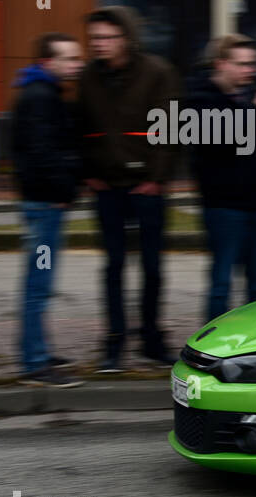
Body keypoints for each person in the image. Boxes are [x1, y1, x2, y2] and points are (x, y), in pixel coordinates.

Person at [78, 6, 180, 372]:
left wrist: (157, 178)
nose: (99, 45)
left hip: (147, 189)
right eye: (94, 39)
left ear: (126, 38)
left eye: (107, 38)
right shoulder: (88, 76)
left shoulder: (157, 72)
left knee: (151, 267)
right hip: (107, 188)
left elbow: (170, 129)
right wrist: (88, 173)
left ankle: (152, 339)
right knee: (114, 266)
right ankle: (114, 344)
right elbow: (82, 128)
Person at [184, 35, 256, 321]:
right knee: (221, 283)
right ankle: (212, 348)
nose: (250, 70)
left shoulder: (252, 96)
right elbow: (217, 141)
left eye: (253, 64)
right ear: (221, 64)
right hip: (223, 206)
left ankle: (254, 350)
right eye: (242, 64)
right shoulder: (199, 98)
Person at [12, 33, 86, 388]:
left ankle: (37, 351)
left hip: (45, 205)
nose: (77, 65)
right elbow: (41, 153)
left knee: (39, 283)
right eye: (70, 58)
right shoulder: (40, 98)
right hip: (44, 208)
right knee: (37, 285)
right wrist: (60, 191)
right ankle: (35, 363)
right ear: (47, 62)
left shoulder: (44, 94)